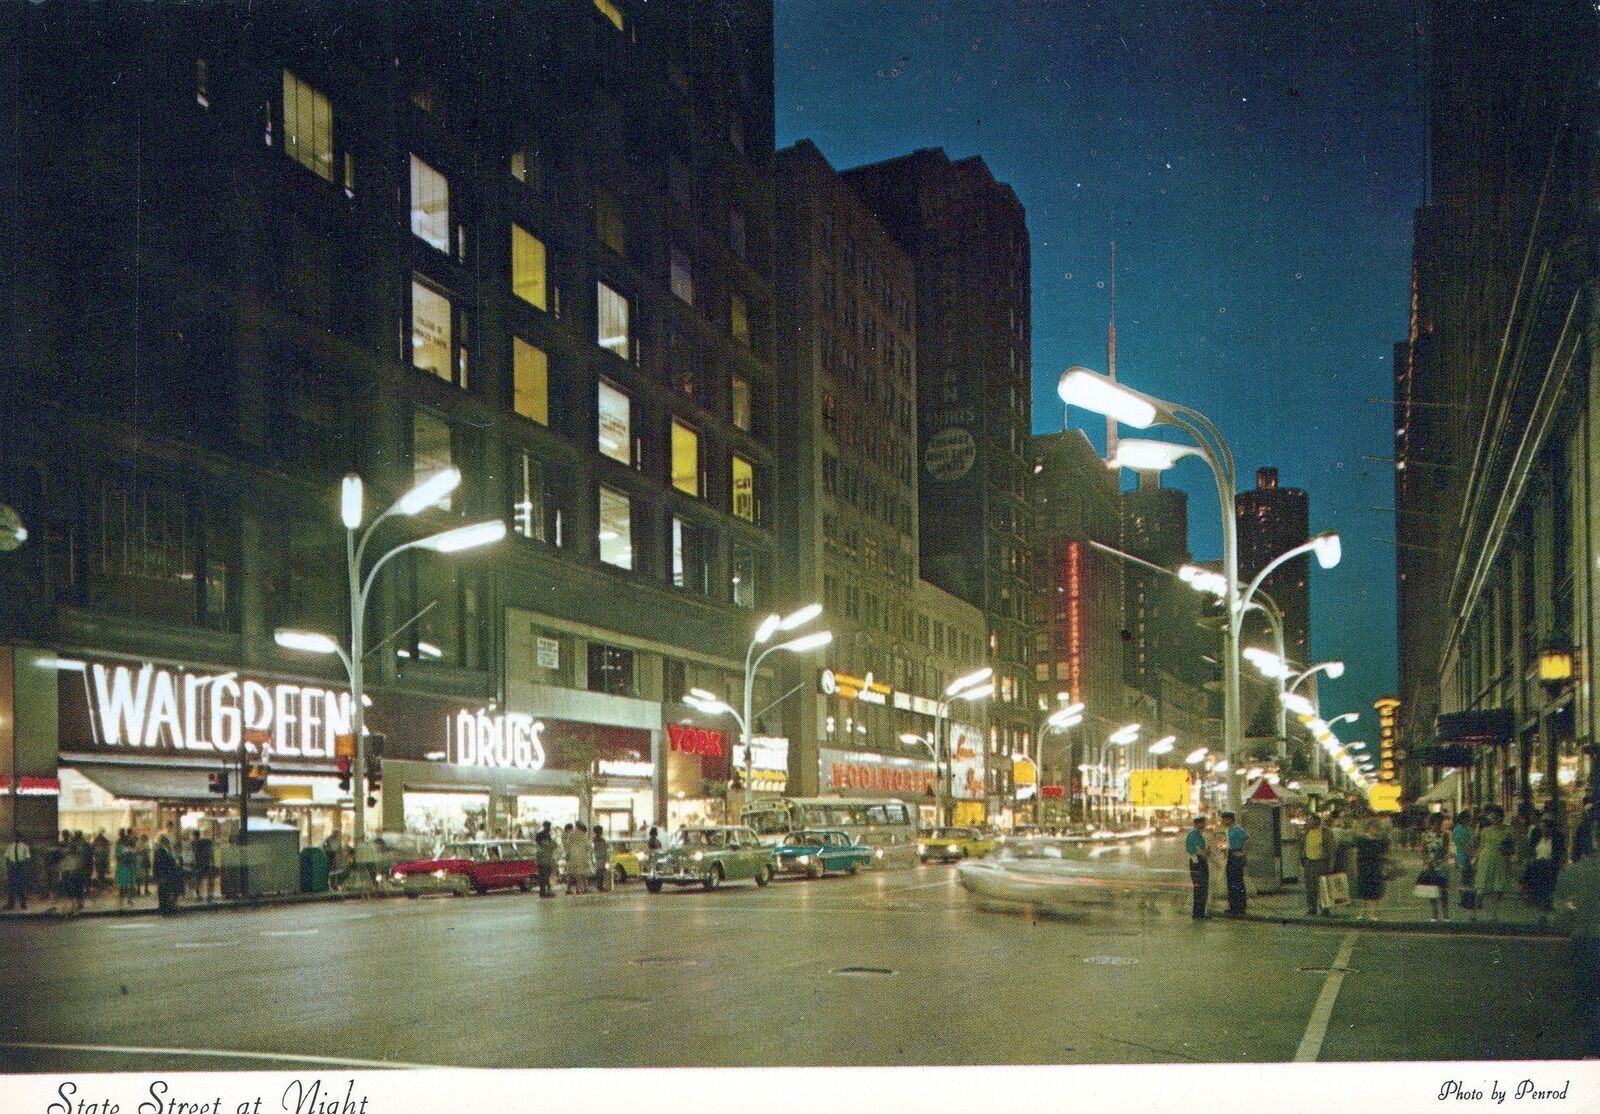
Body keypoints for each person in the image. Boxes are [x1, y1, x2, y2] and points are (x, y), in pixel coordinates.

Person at [1552, 843, 1600, 1056]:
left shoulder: (1575, 871)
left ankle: (1591, 1047)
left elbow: (1562, 908)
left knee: (1587, 992)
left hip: (1586, 937)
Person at [1473, 806, 1512, 922]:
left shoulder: (1506, 832)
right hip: (1486, 858)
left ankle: (1494, 914)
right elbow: (1481, 845)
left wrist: (1509, 863)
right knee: (1481, 886)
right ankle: (1475, 911)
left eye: (1495, 816)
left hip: (1499, 859)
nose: (1492, 818)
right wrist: (1475, 859)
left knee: (1497, 887)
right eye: (1491, 816)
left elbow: (1509, 849)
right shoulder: (1485, 831)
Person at [1351, 819, 1390, 920]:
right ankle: (1361, 913)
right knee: (1362, 889)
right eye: (1374, 828)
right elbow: (1356, 853)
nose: (1376, 830)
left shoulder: (1380, 841)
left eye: (1377, 828)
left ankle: (1372, 913)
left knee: (1374, 890)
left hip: (1375, 866)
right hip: (1363, 866)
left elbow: (1384, 852)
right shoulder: (1361, 840)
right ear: (1368, 828)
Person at [1418, 813, 1451, 920]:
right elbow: (1423, 850)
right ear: (1432, 823)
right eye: (1436, 823)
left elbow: (1444, 850)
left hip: (1440, 865)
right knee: (1431, 890)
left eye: (1440, 823)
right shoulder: (1425, 835)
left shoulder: (1445, 835)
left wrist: (1433, 860)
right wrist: (1426, 862)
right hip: (1429, 865)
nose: (1438, 825)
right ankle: (1434, 914)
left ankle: (1445, 915)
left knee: (1443, 890)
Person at [1524, 817, 1560, 914]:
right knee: (1537, 887)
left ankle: (1546, 906)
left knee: (1547, 887)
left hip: (1549, 866)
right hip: (1537, 866)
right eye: (1542, 827)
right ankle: (1539, 906)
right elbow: (1533, 852)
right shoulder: (1538, 839)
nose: (1543, 830)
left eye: (1545, 827)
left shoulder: (1555, 840)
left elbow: (1558, 854)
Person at [1301, 813, 1334, 916]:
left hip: (1321, 862)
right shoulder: (1306, 832)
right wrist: (1303, 858)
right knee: (1310, 887)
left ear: (1317, 821)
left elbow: (1331, 849)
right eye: (1308, 820)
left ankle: (1325, 908)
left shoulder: (1326, 832)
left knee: (1323, 886)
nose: (1308, 822)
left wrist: (1330, 864)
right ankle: (1312, 908)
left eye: (1310, 820)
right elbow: (1303, 846)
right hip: (1309, 862)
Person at [1220, 810, 1248, 916]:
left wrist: (1242, 853)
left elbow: (1247, 840)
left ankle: (1239, 907)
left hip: (1236, 856)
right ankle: (1233, 907)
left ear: (1229, 819)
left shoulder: (1237, 829)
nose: (1223, 821)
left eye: (1224, 819)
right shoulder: (1228, 830)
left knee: (1237, 881)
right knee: (1231, 882)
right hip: (1230, 855)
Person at [1185, 815, 1210, 920]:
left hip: (1197, 861)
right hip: (1198, 862)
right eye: (1203, 823)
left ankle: (1199, 912)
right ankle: (1199, 913)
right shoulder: (1194, 835)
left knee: (1200, 888)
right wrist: (1206, 851)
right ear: (1198, 824)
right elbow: (1199, 849)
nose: (1205, 825)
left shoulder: (1196, 834)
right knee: (1201, 888)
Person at [153, 834, 182, 913]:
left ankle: (165, 906)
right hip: (164, 873)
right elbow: (161, 863)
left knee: (165, 890)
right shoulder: (161, 851)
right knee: (163, 890)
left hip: (165, 873)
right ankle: (164, 907)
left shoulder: (164, 850)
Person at [4, 831, 31, 911]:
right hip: (12, 867)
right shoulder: (9, 847)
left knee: (21, 886)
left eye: (16, 837)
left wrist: (24, 868)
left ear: (19, 837)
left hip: (20, 867)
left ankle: (23, 904)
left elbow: (27, 858)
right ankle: (11, 904)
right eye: (14, 837)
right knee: (11, 886)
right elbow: (7, 858)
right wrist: (9, 868)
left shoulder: (25, 846)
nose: (15, 838)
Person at [567, 822, 594, 894]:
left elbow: (567, 844)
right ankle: (580, 889)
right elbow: (588, 846)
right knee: (581, 874)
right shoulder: (583, 835)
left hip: (572, 856)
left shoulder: (571, 834)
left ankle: (568, 889)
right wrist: (591, 853)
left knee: (571, 873)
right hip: (581, 856)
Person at [192, 829, 215, 902]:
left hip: (199, 864)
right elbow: (211, 853)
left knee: (198, 881)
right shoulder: (207, 842)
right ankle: (210, 896)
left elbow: (194, 854)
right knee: (210, 880)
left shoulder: (194, 843)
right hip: (207, 864)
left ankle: (199, 896)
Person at [534, 830, 557, 897]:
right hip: (548, 863)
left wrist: (537, 861)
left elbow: (537, 854)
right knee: (547, 878)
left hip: (541, 864)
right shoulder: (550, 844)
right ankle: (549, 891)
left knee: (542, 878)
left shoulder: (540, 845)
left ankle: (542, 892)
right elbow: (555, 845)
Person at [592, 826, 611, 892]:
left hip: (598, 858)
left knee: (600, 872)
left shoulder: (594, 840)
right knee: (600, 873)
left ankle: (600, 886)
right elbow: (606, 847)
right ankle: (600, 887)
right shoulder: (600, 840)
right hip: (600, 858)